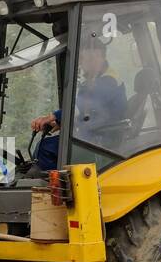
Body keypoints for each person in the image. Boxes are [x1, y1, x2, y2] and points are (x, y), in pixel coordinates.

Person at [30, 36, 126, 171]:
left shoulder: (109, 80)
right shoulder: (97, 79)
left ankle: (64, 187)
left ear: (100, 57)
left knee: (44, 148)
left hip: (101, 142)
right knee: (48, 145)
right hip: (95, 133)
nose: (83, 63)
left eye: (87, 59)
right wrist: (59, 122)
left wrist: (52, 116)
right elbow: (90, 113)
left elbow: (87, 104)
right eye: (82, 59)